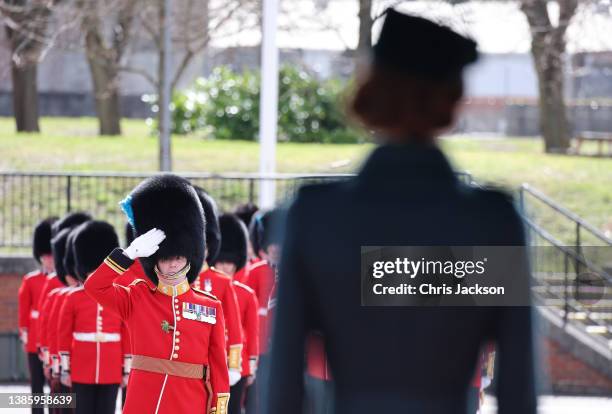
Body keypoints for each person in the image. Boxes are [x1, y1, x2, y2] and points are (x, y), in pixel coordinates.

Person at [266, 8, 536, 414]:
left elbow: (282, 383)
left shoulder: (316, 215)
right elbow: (518, 389)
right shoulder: (491, 221)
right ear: (453, 98)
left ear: (370, 91)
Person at [84, 174, 230, 414]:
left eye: (178, 257)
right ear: (154, 261)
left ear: (189, 257)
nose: (172, 264)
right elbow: (94, 287)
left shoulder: (210, 306)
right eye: (165, 258)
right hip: (146, 400)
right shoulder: (137, 298)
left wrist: (218, 407)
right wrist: (128, 255)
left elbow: (218, 363)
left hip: (190, 401)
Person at [58, 220, 128, 414]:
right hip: (82, 366)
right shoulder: (74, 298)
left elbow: (126, 333)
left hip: (111, 366)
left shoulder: (118, 296)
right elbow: (63, 335)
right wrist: (65, 368)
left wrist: (126, 369)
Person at [192, 187, 244, 388]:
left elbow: (234, 326)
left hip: (216, 359)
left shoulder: (221, 281)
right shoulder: (176, 281)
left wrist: (233, 365)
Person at [213, 214, 260, 414]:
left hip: (237, 365)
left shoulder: (246, 294)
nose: (226, 267)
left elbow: (251, 333)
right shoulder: (204, 290)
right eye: (222, 262)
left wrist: (250, 366)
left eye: (230, 263)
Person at [18, 217, 57, 414]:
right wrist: (26, 337)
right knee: (37, 386)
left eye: (51, 254)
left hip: (55, 340)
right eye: (45, 255)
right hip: (34, 340)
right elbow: (24, 313)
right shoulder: (30, 280)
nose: (49, 258)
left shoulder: (61, 282)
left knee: (56, 387)